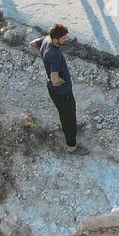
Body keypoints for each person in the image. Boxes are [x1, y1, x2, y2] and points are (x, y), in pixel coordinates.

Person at [30, 24, 88, 154]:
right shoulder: (54, 54)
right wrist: (61, 81)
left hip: (56, 91)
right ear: (56, 39)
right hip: (62, 92)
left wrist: (44, 58)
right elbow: (55, 79)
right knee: (68, 118)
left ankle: (72, 129)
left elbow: (33, 44)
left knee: (68, 113)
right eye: (64, 38)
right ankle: (72, 147)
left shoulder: (46, 39)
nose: (66, 39)